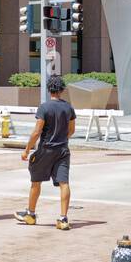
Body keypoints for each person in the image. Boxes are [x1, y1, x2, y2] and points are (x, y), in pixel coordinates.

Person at [16, 74, 77, 229]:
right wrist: (62, 138)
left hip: (46, 149)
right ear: (62, 90)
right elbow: (72, 130)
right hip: (63, 149)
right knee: (64, 183)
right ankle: (63, 219)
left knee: (36, 182)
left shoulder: (44, 107)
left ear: (49, 89)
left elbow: (37, 131)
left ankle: (30, 214)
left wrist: (27, 150)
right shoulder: (68, 107)